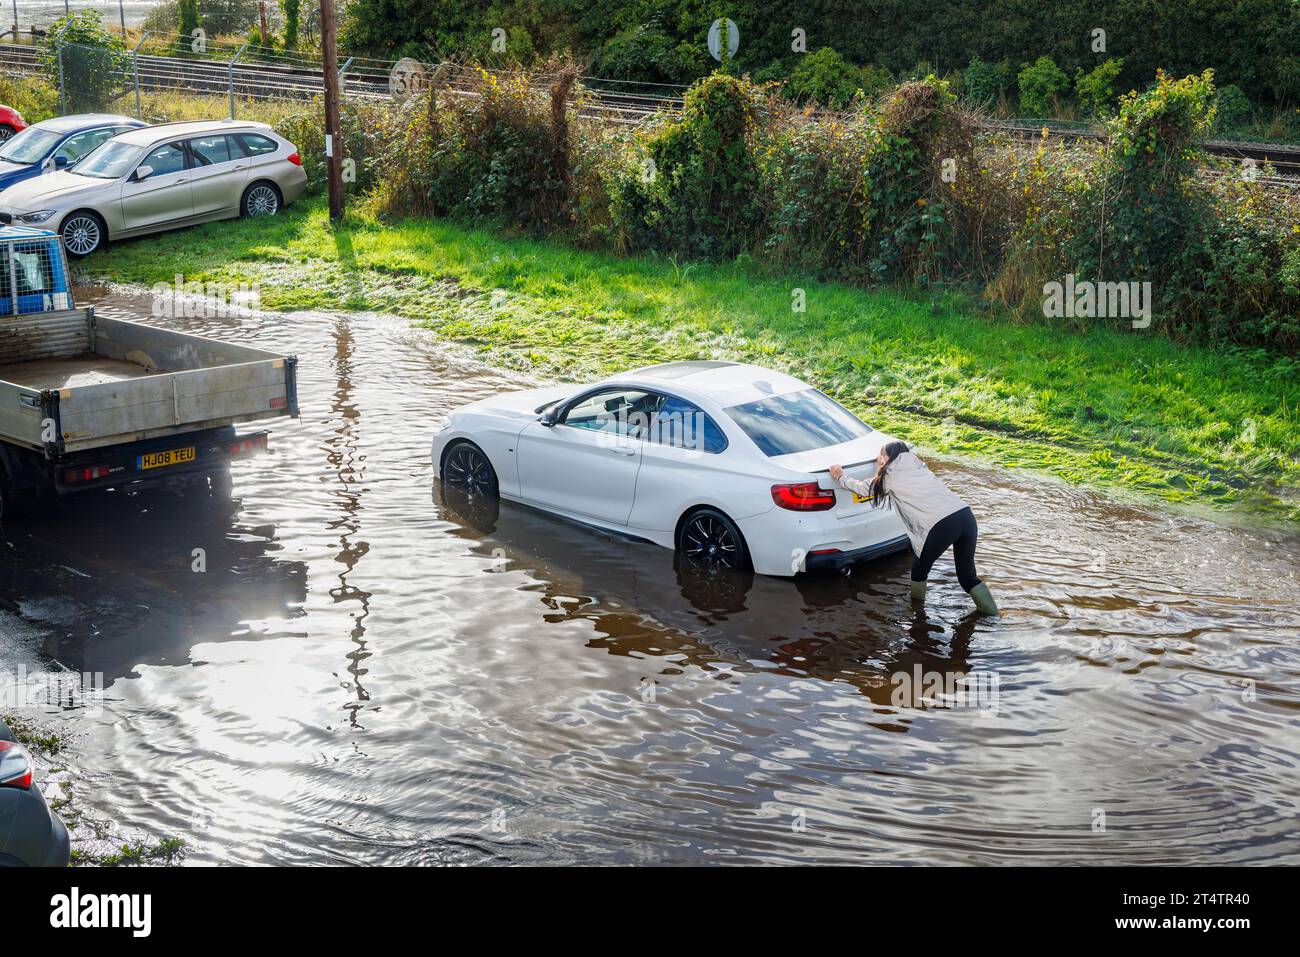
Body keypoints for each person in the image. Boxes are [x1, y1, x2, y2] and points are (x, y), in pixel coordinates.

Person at [829, 442, 998, 615]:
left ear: (888, 458)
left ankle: (918, 613)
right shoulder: (919, 466)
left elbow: (865, 489)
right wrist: (882, 463)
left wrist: (841, 476)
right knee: (967, 577)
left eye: (882, 456)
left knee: (919, 570)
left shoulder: (890, 474)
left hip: (941, 525)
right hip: (966, 517)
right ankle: (995, 617)